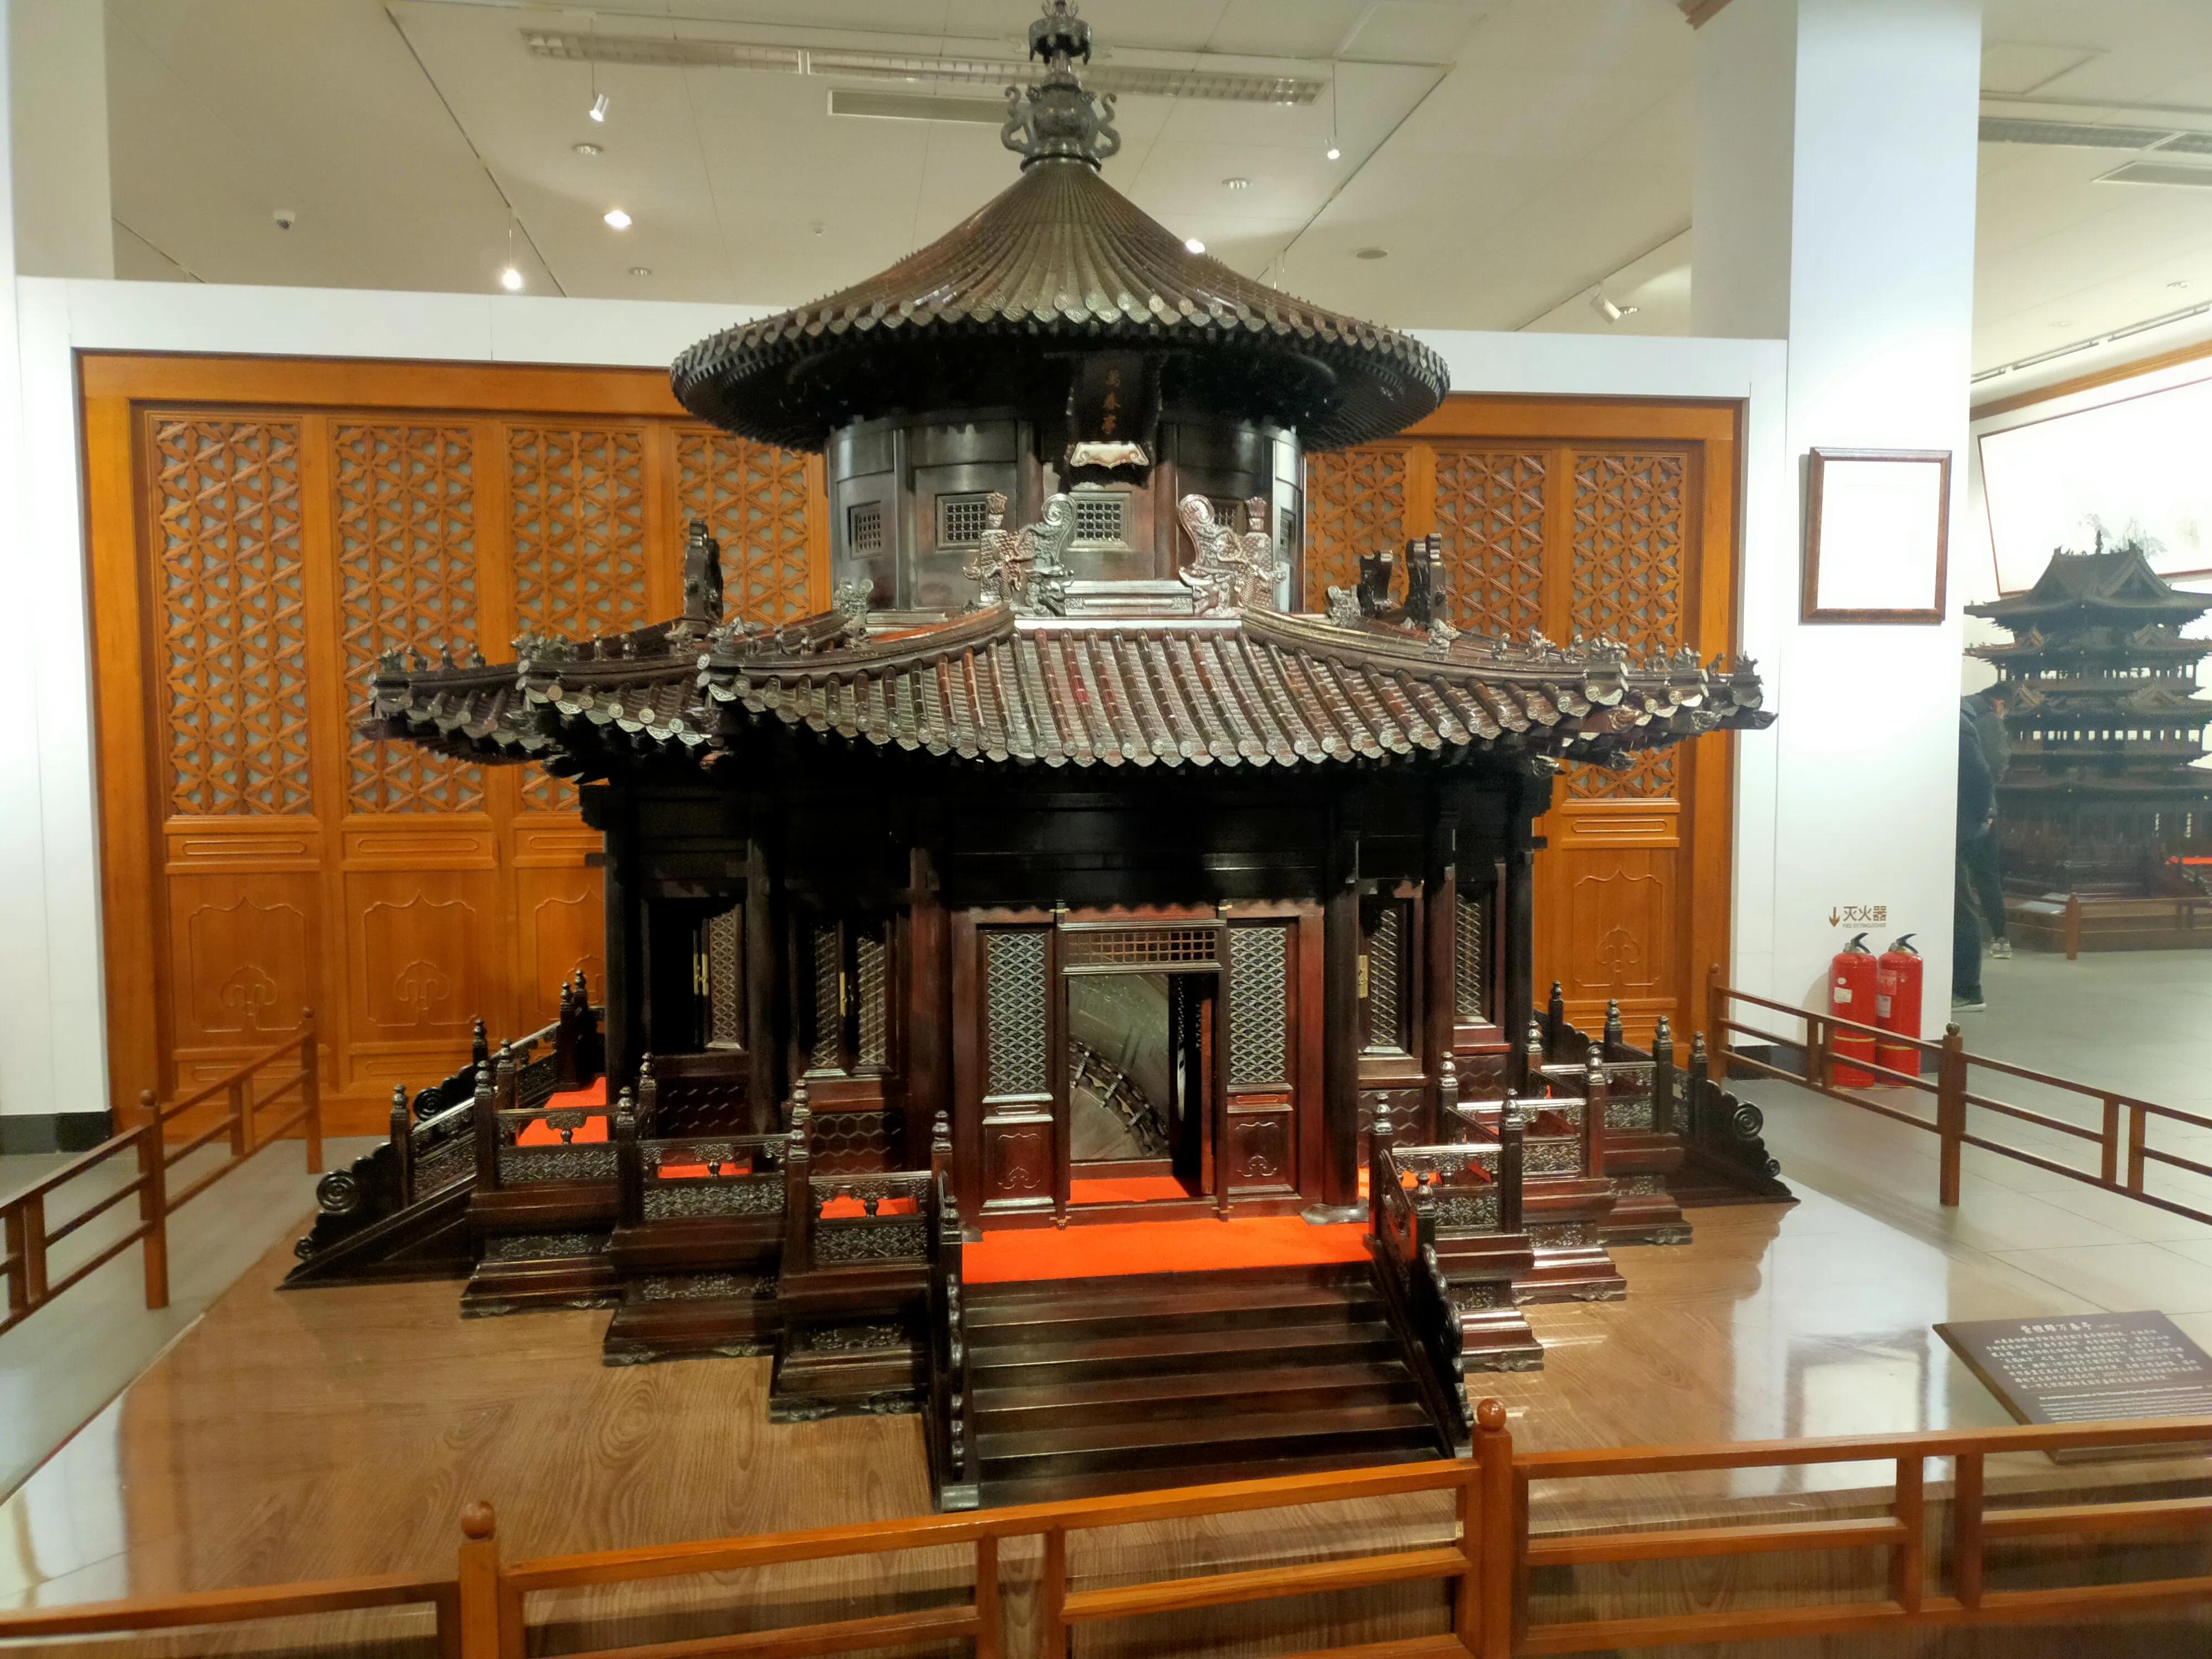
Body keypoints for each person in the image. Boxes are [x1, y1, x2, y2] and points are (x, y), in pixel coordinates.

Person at [1961, 685, 2013, 959]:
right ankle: (2000, 938)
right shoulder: (1989, 719)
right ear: (2000, 704)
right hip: (1978, 812)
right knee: (1986, 876)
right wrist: (1987, 808)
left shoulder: (1957, 710)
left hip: (1947, 808)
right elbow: (1993, 763)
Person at [1954, 704, 1995, 1011]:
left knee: (1959, 905)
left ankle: (1968, 989)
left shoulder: (1955, 720)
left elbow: (1981, 775)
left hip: (1957, 828)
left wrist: (1977, 818)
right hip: (1951, 824)